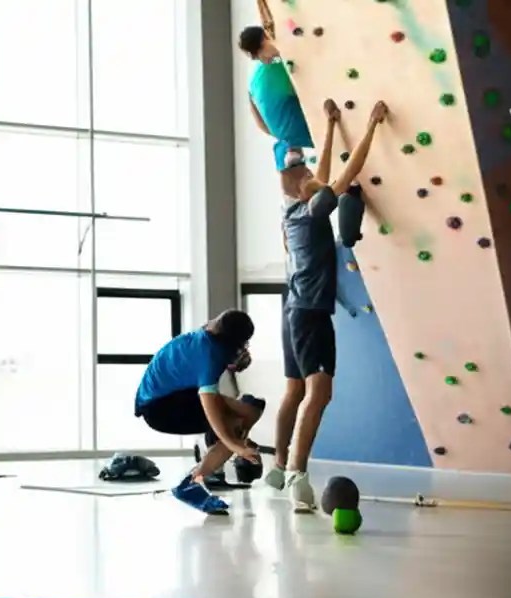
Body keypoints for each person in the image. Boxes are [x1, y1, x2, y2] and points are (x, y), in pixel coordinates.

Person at [264, 99, 388, 512]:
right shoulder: (313, 211)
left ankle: (279, 466)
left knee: (294, 389)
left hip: (292, 309)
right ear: (305, 190)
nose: (317, 177)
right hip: (311, 312)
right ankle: (298, 470)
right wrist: (370, 125)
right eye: (309, 177)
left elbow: (322, 176)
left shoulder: (294, 213)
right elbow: (348, 172)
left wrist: (331, 123)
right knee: (320, 392)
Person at [134, 310, 265, 515]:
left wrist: (232, 364)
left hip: (167, 396)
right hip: (161, 408)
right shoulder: (210, 355)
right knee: (233, 424)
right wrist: (235, 445)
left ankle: (215, 456)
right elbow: (211, 410)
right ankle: (193, 482)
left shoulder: (209, 333)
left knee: (251, 410)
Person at [238, 16, 316, 172]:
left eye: (259, 53)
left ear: (265, 39)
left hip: (289, 134)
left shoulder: (263, 74)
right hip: (295, 132)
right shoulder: (272, 70)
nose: (262, 58)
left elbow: (261, 123)